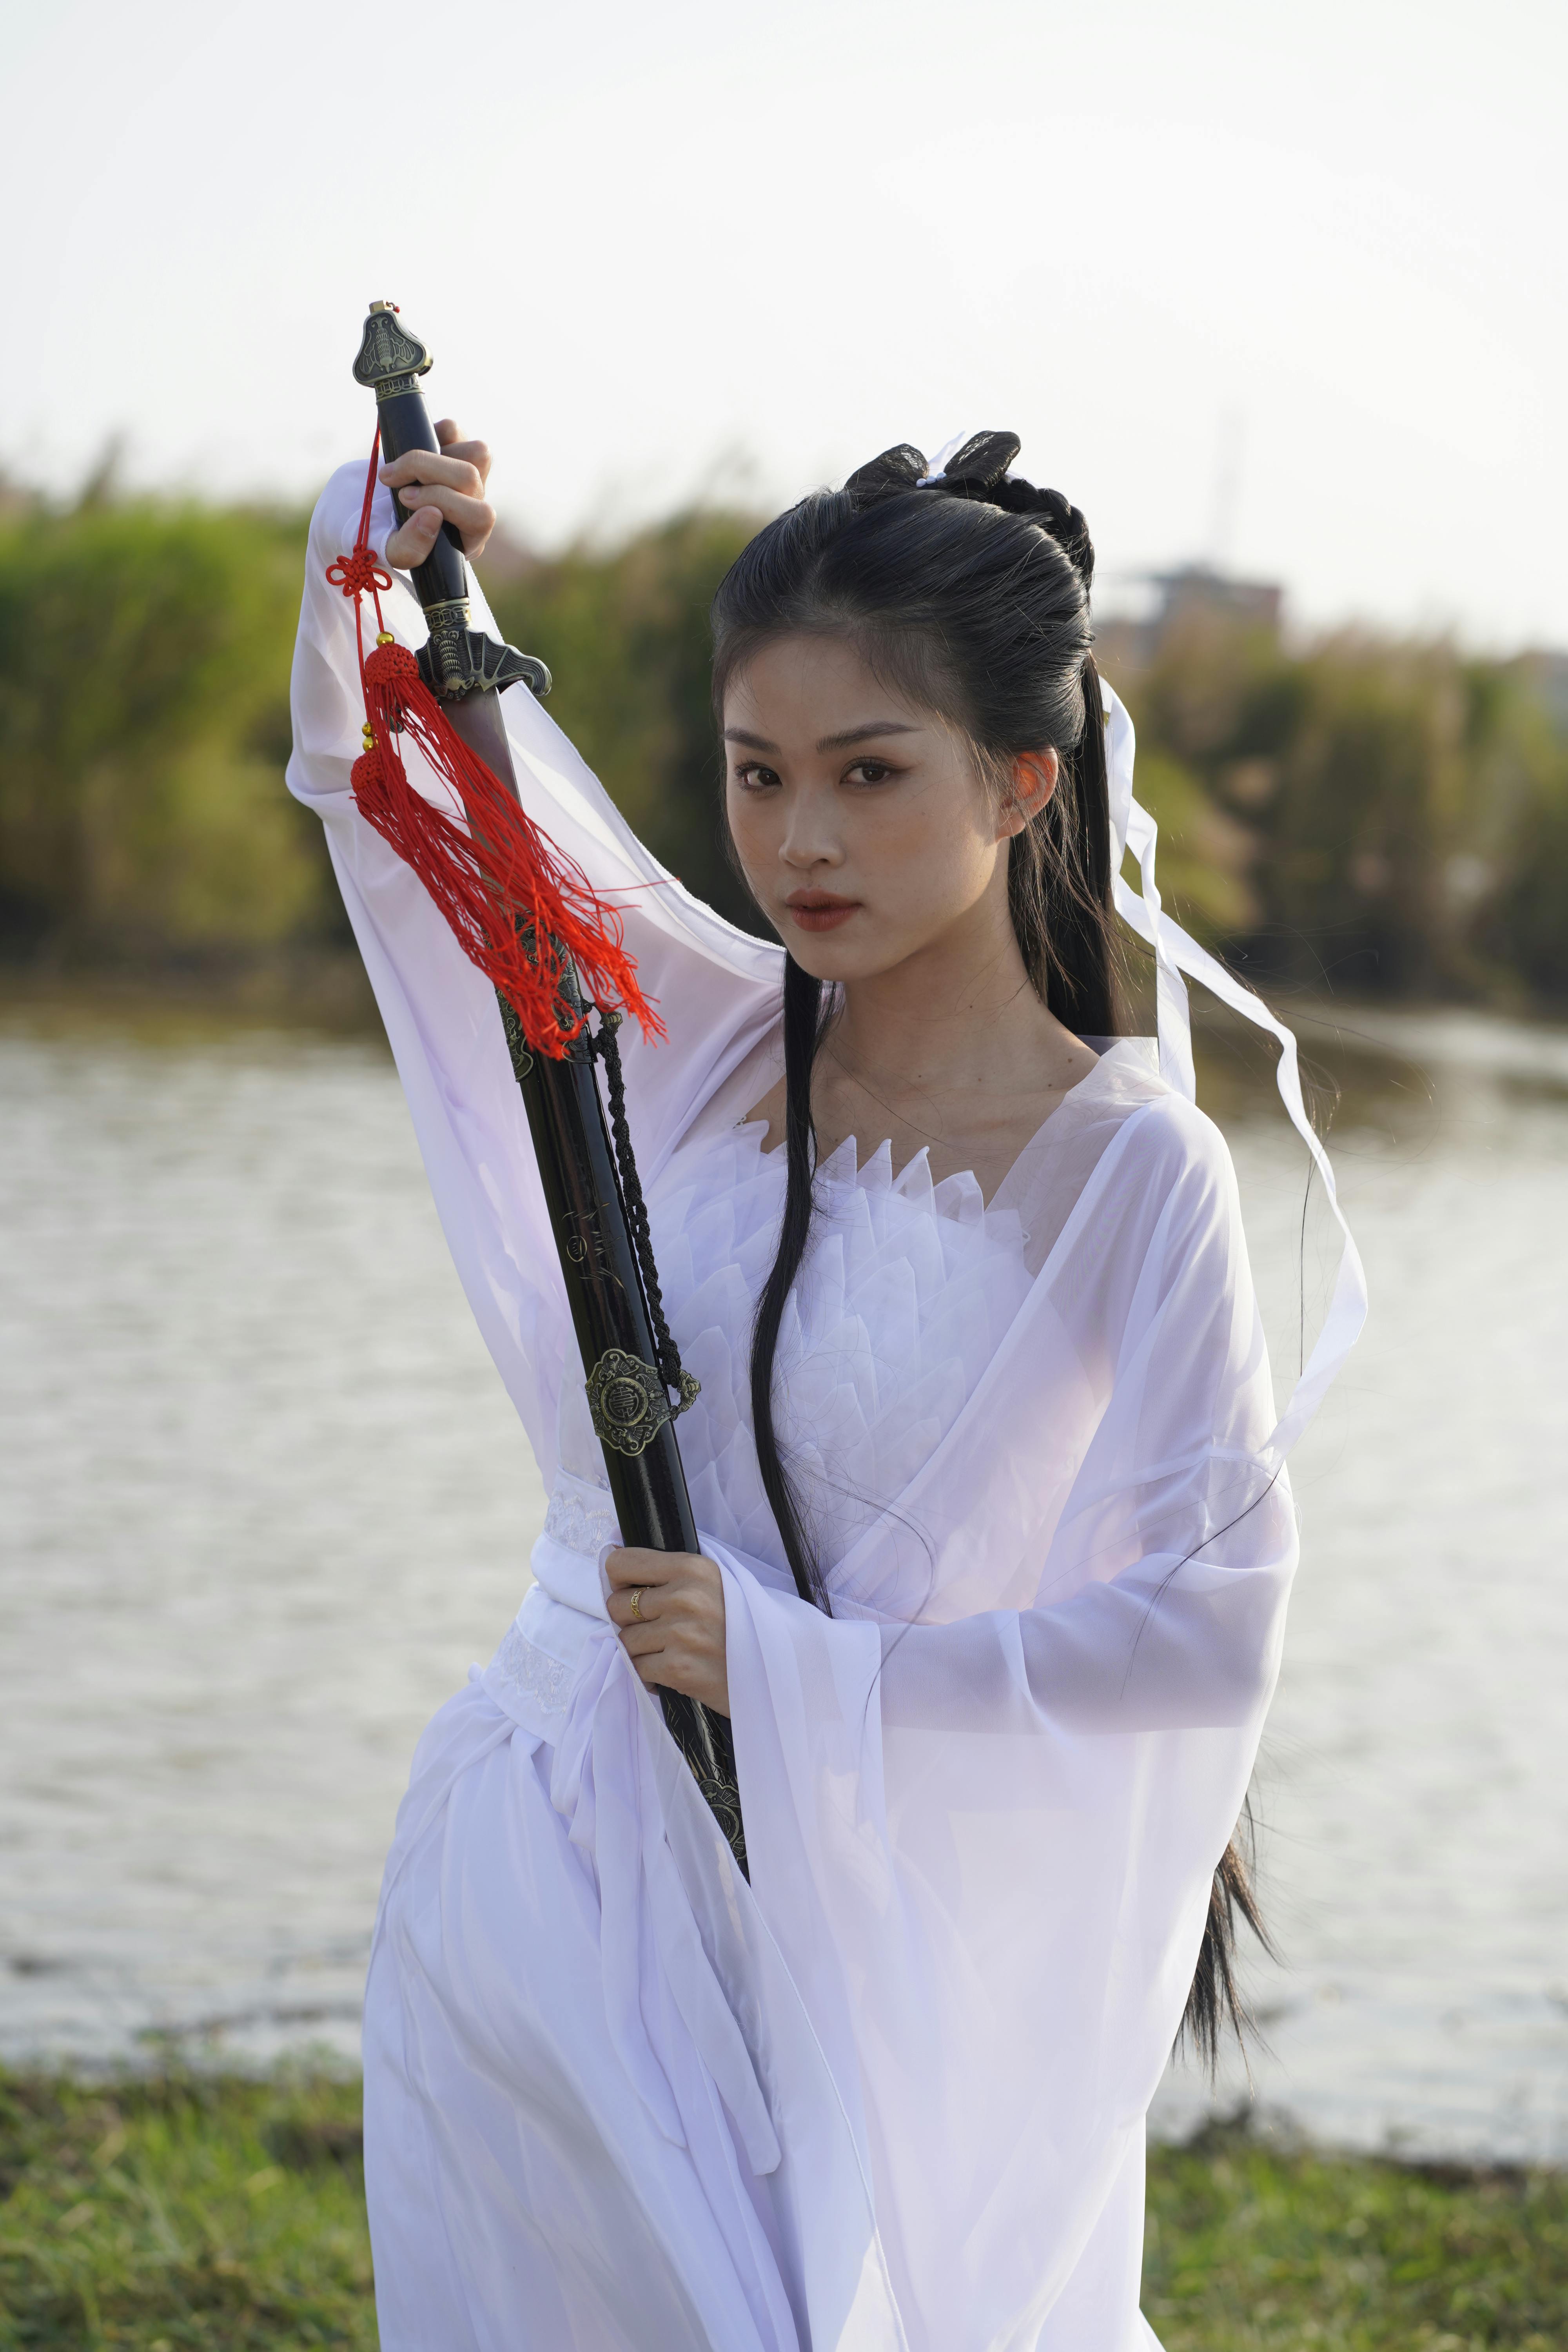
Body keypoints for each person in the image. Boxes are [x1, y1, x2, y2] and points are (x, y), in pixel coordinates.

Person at [287, 422, 1364, 2351]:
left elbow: (1209, 1637)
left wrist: (813, 1677)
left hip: (810, 1917)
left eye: (871, 776)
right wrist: (383, 557)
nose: (798, 841)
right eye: (756, 774)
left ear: (1022, 781)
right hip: (527, 1861)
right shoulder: (699, 1032)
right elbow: (422, 807)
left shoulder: (1125, 1168)